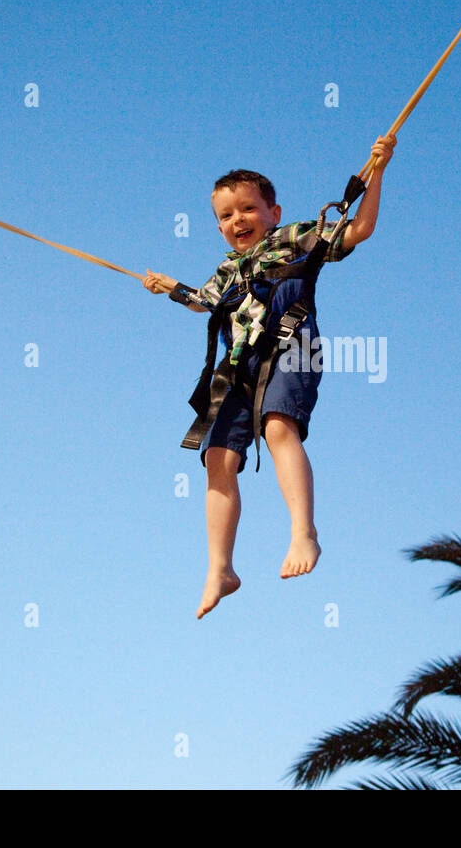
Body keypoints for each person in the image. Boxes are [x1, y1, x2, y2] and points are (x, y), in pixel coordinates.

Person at [142, 135, 396, 618]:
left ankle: (304, 531)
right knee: (217, 458)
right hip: (239, 365)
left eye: (247, 209)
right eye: (226, 216)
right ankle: (221, 567)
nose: (237, 220)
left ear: (273, 213)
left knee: (279, 427)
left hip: (290, 345)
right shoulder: (225, 270)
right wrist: (170, 288)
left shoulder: (296, 237)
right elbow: (204, 301)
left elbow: (359, 228)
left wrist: (377, 172)